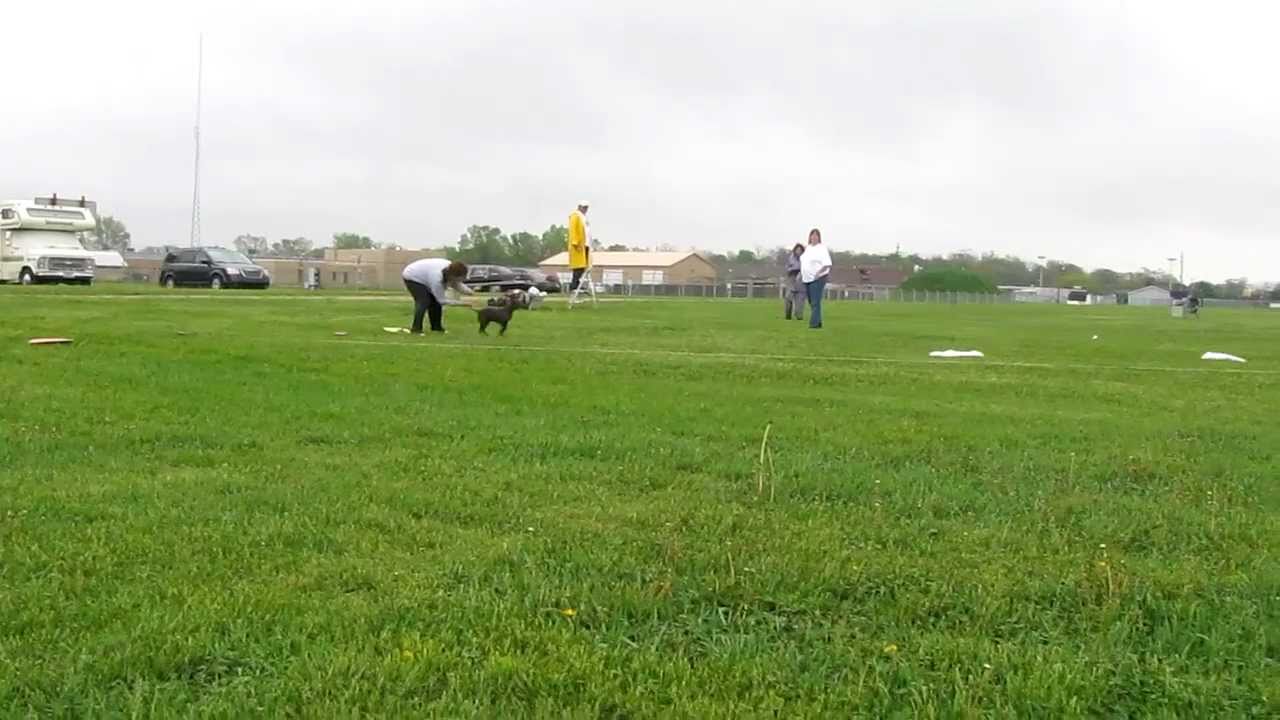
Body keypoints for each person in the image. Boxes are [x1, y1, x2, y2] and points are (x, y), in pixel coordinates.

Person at [401, 258, 474, 334]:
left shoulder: (450, 272)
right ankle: (416, 329)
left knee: (435, 303)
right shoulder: (437, 278)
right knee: (423, 301)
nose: (462, 279)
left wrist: (471, 292)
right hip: (412, 276)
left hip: (425, 274)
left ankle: (436, 328)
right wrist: (463, 303)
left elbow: (457, 284)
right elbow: (442, 300)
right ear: (453, 276)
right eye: (461, 278)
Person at [800, 228, 832, 329]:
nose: (814, 237)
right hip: (806, 278)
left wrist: (819, 273)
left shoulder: (822, 248)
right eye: (812, 235)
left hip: (818, 278)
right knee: (811, 301)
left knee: (815, 301)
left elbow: (827, 264)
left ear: (819, 237)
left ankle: (813, 324)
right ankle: (818, 322)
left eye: (816, 235)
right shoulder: (808, 248)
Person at [567, 201, 590, 302]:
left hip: (585, 244)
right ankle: (574, 287)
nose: (585, 209)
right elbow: (573, 230)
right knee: (578, 268)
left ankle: (579, 287)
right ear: (579, 207)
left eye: (586, 207)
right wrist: (575, 242)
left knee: (583, 267)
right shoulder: (575, 216)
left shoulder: (583, 217)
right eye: (584, 207)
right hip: (578, 245)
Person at [783, 243, 806, 320]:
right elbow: (787, 268)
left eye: (800, 250)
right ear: (795, 250)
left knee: (800, 303)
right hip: (792, 280)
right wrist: (791, 270)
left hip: (801, 282)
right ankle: (788, 315)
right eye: (797, 249)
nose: (798, 251)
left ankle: (799, 315)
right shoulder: (790, 258)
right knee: (788, 298)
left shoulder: (805, 259)